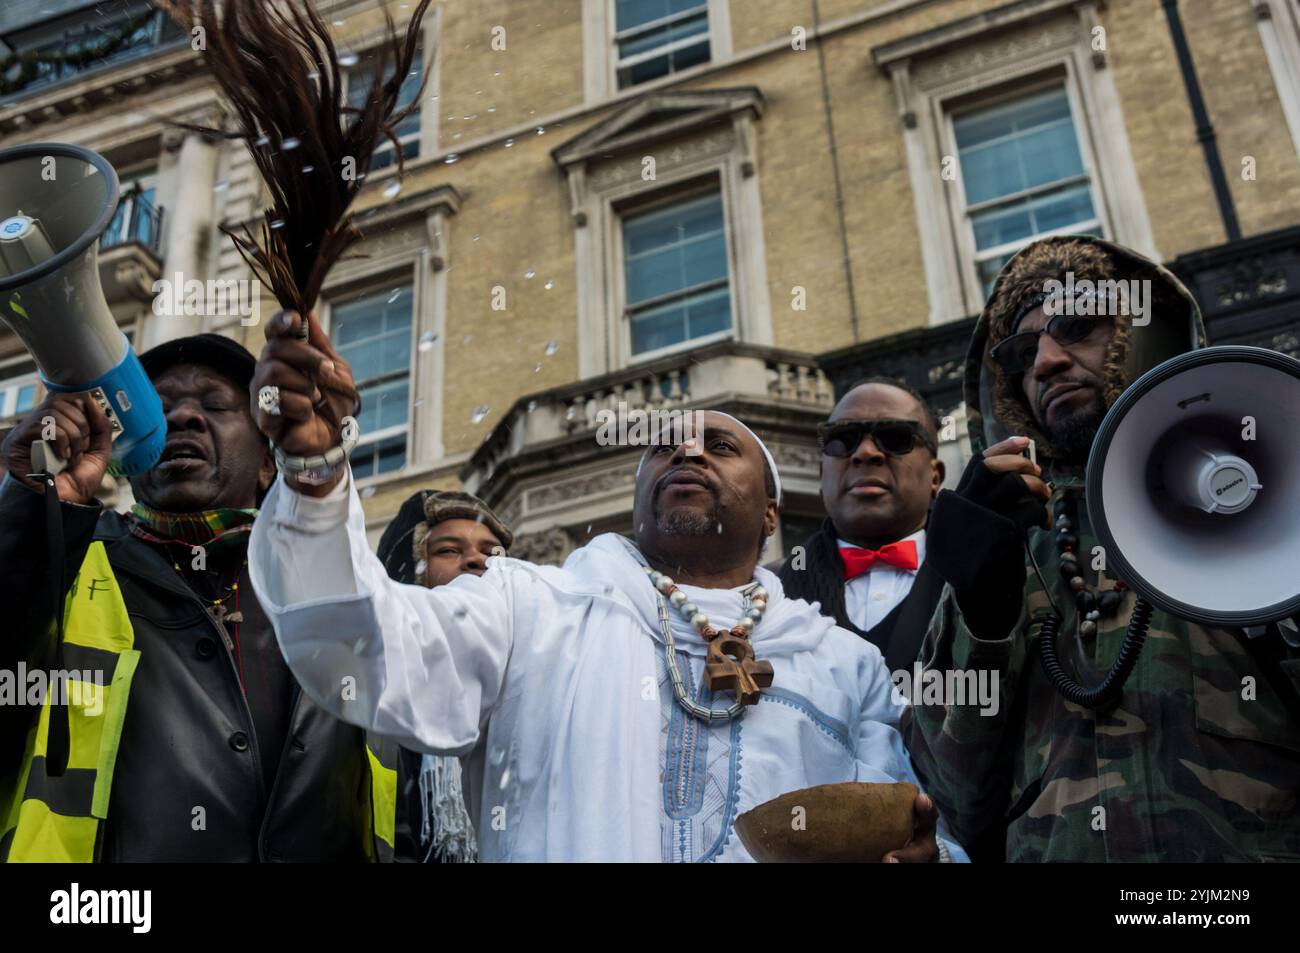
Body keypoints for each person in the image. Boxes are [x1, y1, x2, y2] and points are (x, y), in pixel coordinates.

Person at [246, 309, 968, 862]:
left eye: (718, 445)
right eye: (665, 446)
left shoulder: (846, 664)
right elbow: (367, 648)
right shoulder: (528, 606)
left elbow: (919, 822)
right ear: (637, 499)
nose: (687, 448)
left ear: (773, 511)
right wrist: (315, 477)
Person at [905, 236, 1300, 862]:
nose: (1047, 363)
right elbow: (953, 800)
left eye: (1078, 325)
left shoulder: (1272, 492)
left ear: (1143, 337)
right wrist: (982, 617)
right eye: (1023, 352)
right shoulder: (1009, 545)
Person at [0, 333, 401, 862]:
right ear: (127, 458)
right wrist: (31, 508)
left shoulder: (333, 592)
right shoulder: (71, 565)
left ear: (266, 461)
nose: (184, 418)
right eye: (158, 411)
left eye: (215, 405)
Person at [377, 489, 514, 863]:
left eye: (492, 551)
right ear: (410, 574)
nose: (476, 560)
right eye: (449, 550)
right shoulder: (372, 693)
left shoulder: (545, 685)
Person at [778, 378, 946, 674]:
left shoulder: (979, 576)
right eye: (842, 439)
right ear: (821, 476)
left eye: (895, 437)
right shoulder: (770, 588)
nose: (865, 453)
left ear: (935, 476)